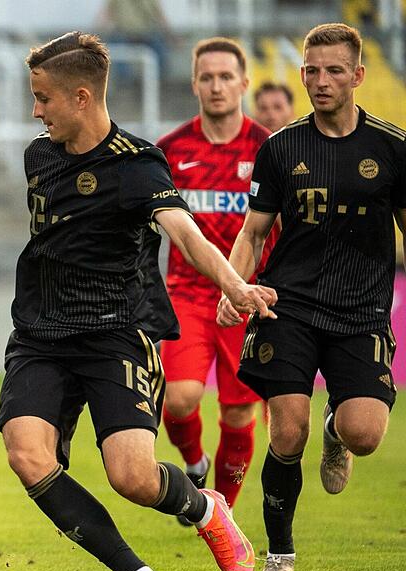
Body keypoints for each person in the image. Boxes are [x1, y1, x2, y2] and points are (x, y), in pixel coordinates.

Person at [1, 31, 277, 571]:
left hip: (115, 333)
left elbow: (185, 233)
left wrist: (234, 284)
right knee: (28, 454)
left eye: (43, 98)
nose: (35, 111)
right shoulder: (39, 157)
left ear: (81, 97)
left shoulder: (138, 164)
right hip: (41, 337)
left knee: (131, 476)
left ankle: (205, 508)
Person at [220, 22, 406, 571]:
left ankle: (336, 432)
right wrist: (234, 287)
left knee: (364, 435)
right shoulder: (280, 147)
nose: (320, 81)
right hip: (290, 305)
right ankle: (280, 551)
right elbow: (253, 233)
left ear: (357, 75)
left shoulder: (393, 148)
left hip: (361, 311)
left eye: (333, 71)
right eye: (311, 70)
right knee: (286, 430)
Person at [156, 38, 273, 521]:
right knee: (179, 399)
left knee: (239, 415)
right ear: (194, 84)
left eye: (226, 77)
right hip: (187, 295)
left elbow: (278, 234)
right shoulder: (171, 149)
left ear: (244, 83)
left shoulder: (269, 149)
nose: (217, 85)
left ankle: (220, 511)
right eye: (207, 77)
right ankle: (195, 462)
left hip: (246, 300)